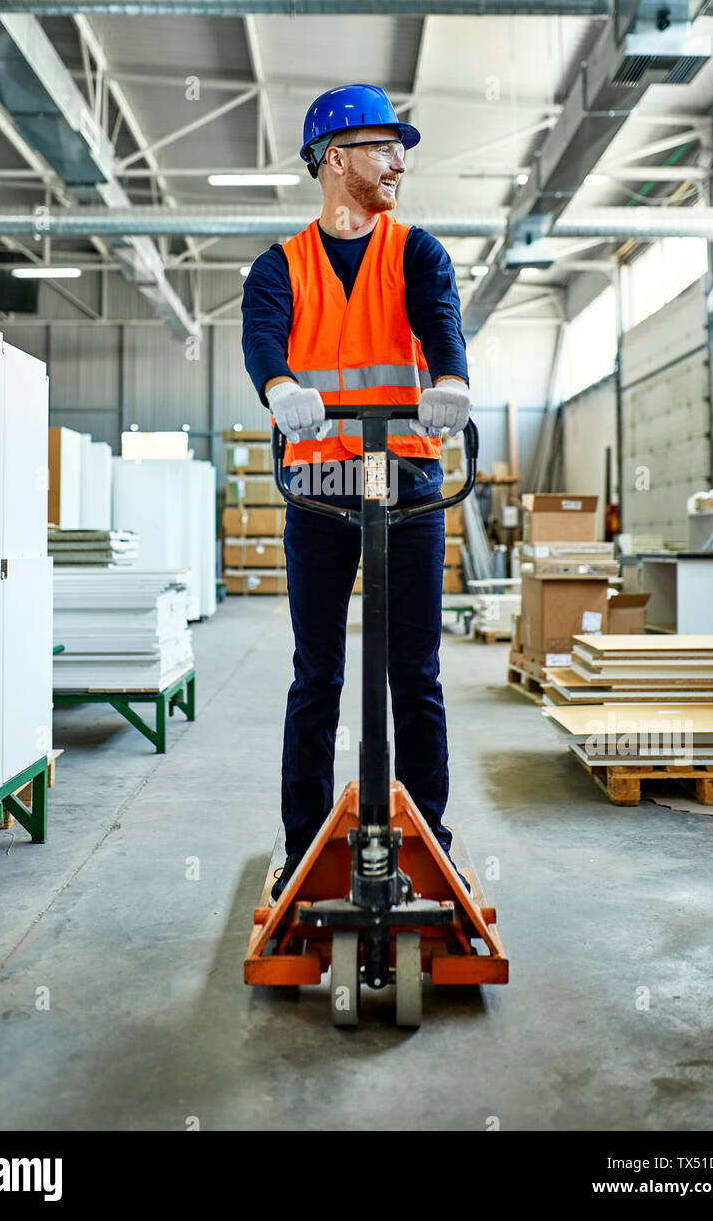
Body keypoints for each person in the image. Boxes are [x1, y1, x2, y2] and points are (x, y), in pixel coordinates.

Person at [241, 83, 472, 901]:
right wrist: (277, 387)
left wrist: (450, 380)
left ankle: (429, 840)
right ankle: (303, 845)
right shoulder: (281, 266)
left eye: (400, 148)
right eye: (382, 146)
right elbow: (264, 334)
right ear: (334, 160)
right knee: (319, 674)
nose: (398, 161)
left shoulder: (416, 252)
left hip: (405, 482)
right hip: (318, 488)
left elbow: (440, 319)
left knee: (416, 672)